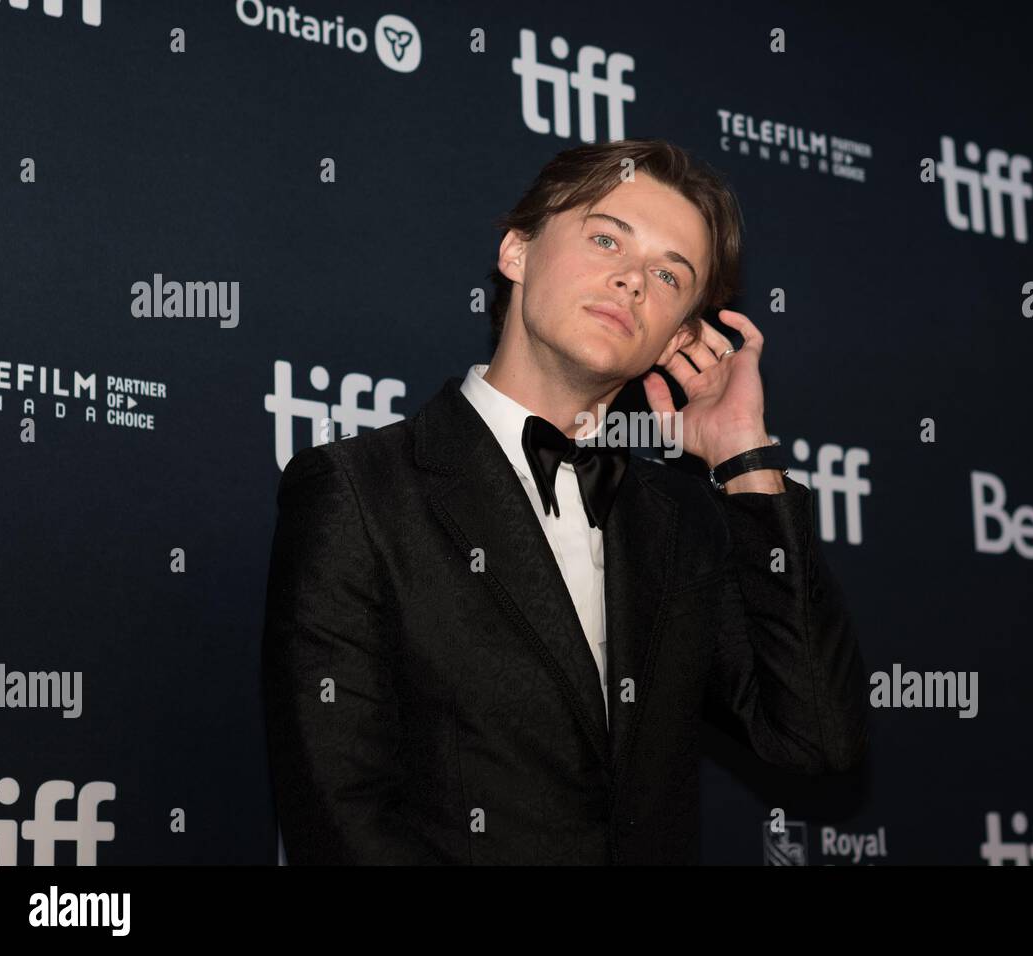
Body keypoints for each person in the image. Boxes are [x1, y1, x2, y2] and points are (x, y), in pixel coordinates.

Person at [261, 138, 868, 865]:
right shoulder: (360, 491)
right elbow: (341, 825)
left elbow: (816, 737)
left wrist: (744, 452)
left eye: (671, 275)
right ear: (517, 252)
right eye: (607, 237)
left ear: (681, 336)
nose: (634, 280)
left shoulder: (679, 525)